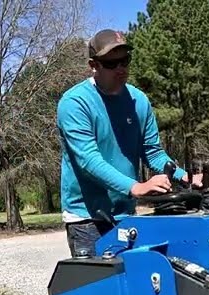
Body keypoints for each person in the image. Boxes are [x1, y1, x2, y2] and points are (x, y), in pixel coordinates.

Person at [56, 29, 198, 257]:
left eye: (125, 60)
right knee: (102, 280)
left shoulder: (138, 101)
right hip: (87, 219)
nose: (121, 69)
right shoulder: (75, 103)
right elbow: (88, 160)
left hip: (126, 214)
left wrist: (186, 178)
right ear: (94, 65)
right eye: (111, 63)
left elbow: (153, 153)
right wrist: (136, 187)